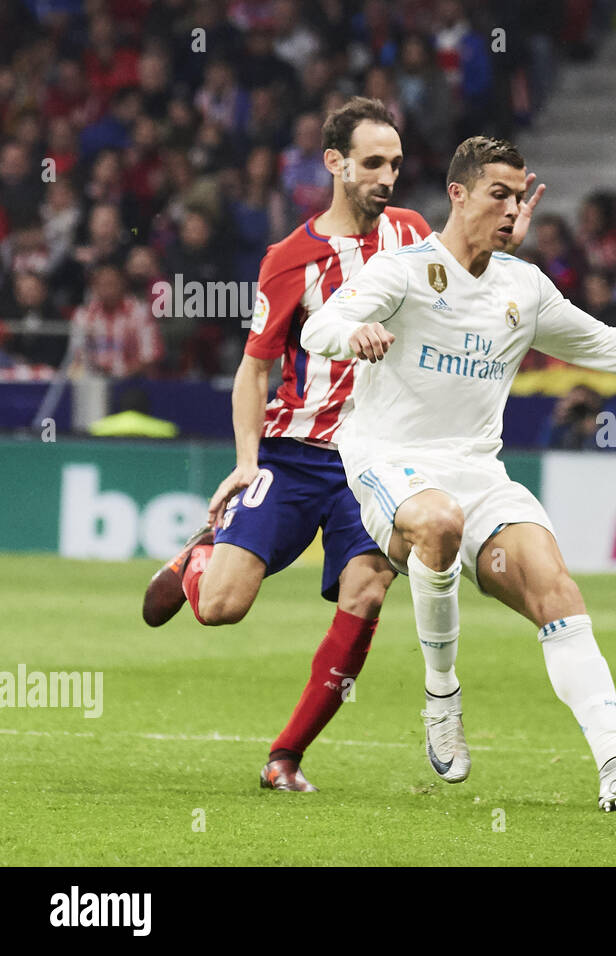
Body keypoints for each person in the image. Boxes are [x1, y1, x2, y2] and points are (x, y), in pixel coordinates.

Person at [300, 135, 616, 811]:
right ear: (457, 195)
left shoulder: (524, 288)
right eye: (498, 194)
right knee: (438, 521)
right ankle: (441, 694)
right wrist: (355, 335)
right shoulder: (404, 271)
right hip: (388, 460)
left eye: (520, 197)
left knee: (554, 586)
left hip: (477, 469)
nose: (514, 209)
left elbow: (608, 344)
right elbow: (323, 324)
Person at [140, 99, 544, 793]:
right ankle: (200, 557)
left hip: (381, 458)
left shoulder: (413, 233)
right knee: (224, 607)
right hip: (295, 454)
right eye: (373, 163)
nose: (388, 176)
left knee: (366, 590)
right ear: (335, 163)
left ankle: (285, 757)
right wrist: (245, 462)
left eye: (395, 162)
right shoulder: (289, 260)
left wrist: (502, 240)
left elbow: (474, 284)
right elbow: (255, 367)